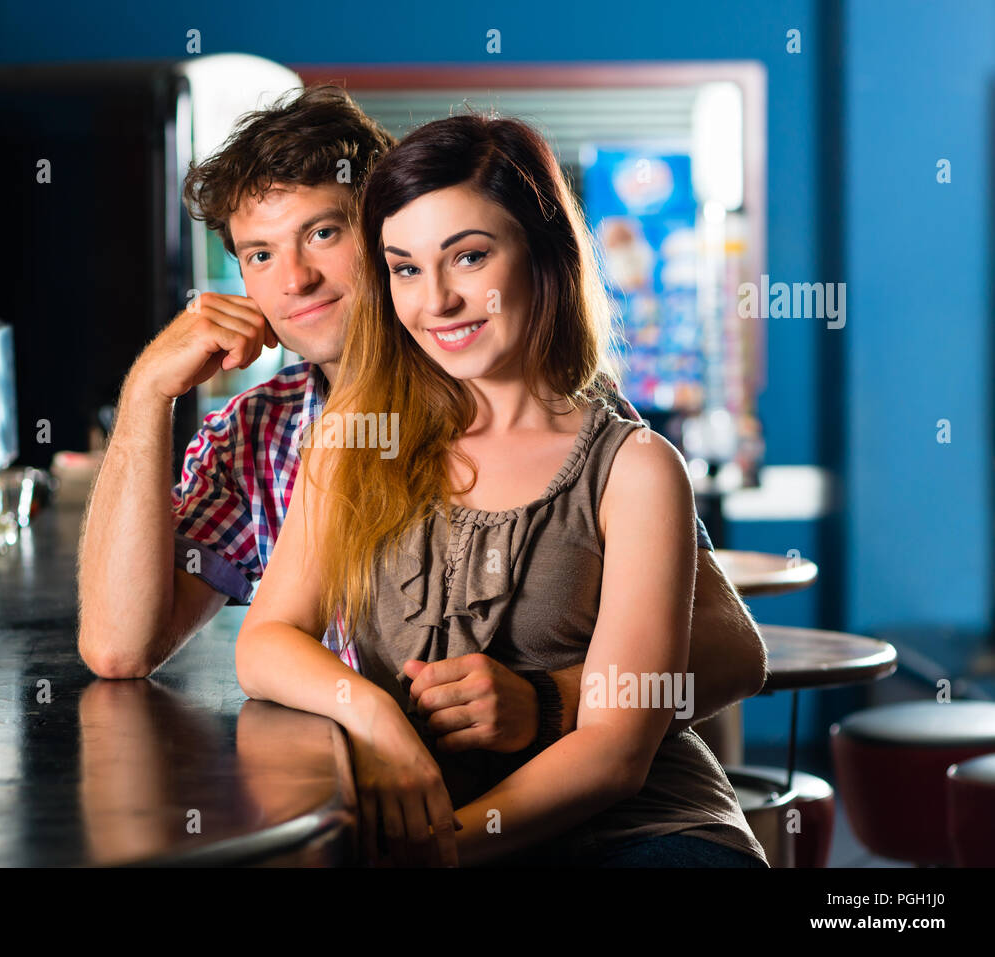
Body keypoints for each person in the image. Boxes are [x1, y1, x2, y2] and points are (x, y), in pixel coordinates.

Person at [77, 84, 765, 774]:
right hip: (359, 794)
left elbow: (730, 649)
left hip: (548, 790)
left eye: (322, 233)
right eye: (259, 255)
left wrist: (547, 699)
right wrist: (146, 393)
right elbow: (119, 649)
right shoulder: (256, 433)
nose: (295, 279)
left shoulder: (527, 394)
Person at [234, 111, 769, 869]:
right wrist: (374, 715)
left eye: (470, 257)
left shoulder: (638, 466)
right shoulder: (357, 437)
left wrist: (436, 850)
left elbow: (618, 751)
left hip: (636, 834)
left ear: (545, 255)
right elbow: (265, 641)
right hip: (424, 817)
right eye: (406, 267)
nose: (438, 301)